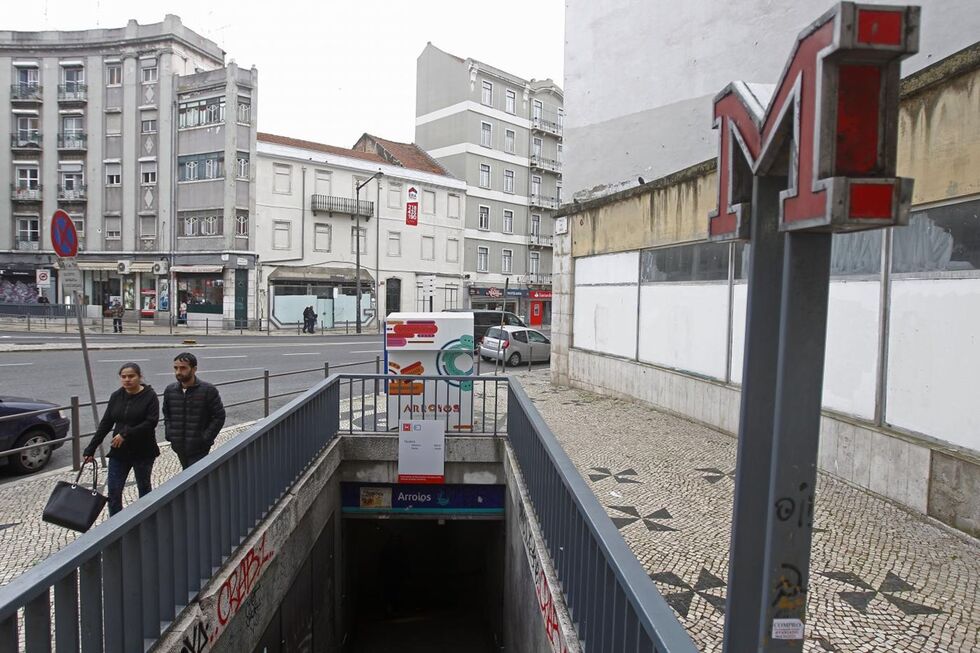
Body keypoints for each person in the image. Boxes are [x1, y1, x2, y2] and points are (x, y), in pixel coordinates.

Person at [83, 363, 160, 516]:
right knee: (113, 491)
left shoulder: (150, 396)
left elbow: (151, 422)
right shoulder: (116, 396)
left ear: (139, 377)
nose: (127, 380)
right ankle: (116, 525)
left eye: (131, 376)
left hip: (143, 451)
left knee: (144, 488)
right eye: (123, 377)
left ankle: (145, 518)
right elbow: (106, 423)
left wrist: (125, 434)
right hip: (119, 452)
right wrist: (91, 448)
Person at [163, 352, 226, 469]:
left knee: (195, 480)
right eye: (176, 368)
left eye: (183, 368)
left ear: (194, 369)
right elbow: (167, 414)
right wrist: (170, 435)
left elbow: (219, 416)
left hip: (199, 448)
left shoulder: (208, 390)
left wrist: (205, 438)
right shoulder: (170, 390)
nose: (178, 372)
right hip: (179, 446)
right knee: (186, 473)